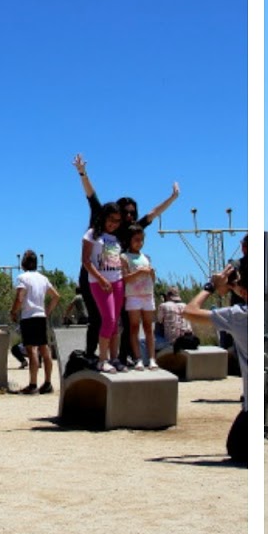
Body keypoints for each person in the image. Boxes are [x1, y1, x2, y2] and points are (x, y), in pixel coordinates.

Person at [73, 154, 179, 358]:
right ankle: (91, 355)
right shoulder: (101, 222)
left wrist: (172, 198)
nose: (130, 215)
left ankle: (122, 357)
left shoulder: (130, 230)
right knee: (97, 318)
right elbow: (91, 196)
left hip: (115, 279)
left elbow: (153, 213)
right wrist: (83, 173)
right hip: (92, 277)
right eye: (126, 212)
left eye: (133, 212)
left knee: (121, 317)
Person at [182, 237, 248, 466]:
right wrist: (233, 286)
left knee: (236, 448)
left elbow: (190, 311)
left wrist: (210, 286)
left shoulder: (240, 315)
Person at [83, 203, 126, 371]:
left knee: (116, 322)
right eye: (111, 219)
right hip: (99, 282)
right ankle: (102, 359)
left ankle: (114, 358)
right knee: (108, 319)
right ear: (104, 217)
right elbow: (86, 260)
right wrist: (101, 279)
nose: (113, 224)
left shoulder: (116, 237)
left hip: (117, 280)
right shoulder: (92, 234)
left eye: (117, 221)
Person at [11, 249, 57, 394]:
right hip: (41, 316)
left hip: (28, 317)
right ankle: (48, 383)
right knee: (44, 349)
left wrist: (13, 311)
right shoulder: (43, 278)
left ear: (23, 263)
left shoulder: (22, 278)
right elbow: (56, 296)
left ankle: (32, 384)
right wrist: (47, 312)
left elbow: (20, 297)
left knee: (32, 351)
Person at [120, 225, 158, 370]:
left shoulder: (146, 257)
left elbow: (152, 279)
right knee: (134, 327)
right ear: (130, 240)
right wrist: (139, 272)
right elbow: (125, 278)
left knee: (148, 327)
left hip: (147, 294)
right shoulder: (124, 257)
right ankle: (138, 358)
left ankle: (152, 358)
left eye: (141, 240)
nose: (139, 243)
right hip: (133, 295)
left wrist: (151, 273)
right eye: (136, 240)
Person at [157, 287, 196, 352]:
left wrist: (163, 302)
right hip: (187, 340)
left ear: (168, 296)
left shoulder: (163, 305)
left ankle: (151, 358)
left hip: (171, 341)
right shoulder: (185, 306)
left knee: (144, 341)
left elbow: (159, 320)